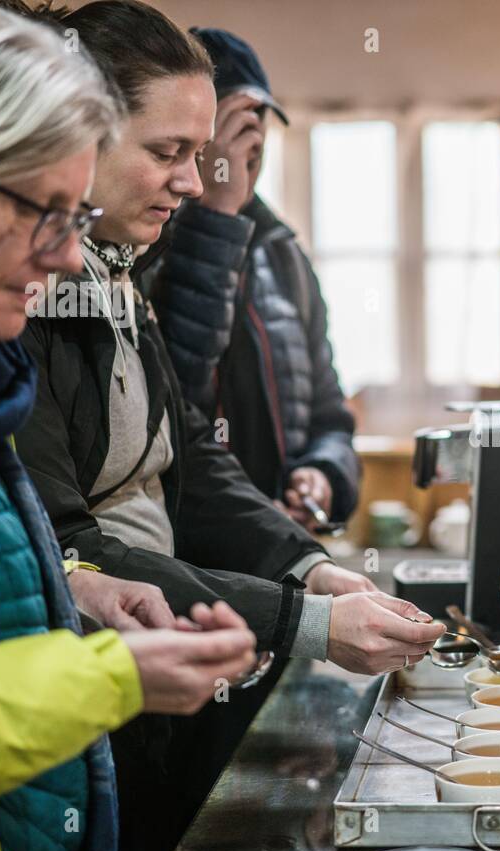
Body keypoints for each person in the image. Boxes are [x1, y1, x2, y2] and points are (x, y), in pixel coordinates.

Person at [0, 0, 442, 851]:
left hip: (160, 681)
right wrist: (301, 622)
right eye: (167, 153)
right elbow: (64, 543)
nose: (197, 184)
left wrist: (308, 568)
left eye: (200, 156)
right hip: (88, 703)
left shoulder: (121, 273)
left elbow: (191, 460)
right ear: (74, 136)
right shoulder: (25, 295)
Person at [0, 2, 258, 851]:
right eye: (42, 212)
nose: (61, 259)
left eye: (76, 218)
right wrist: (104, 680)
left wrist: (73, 585)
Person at [135, 27, 360, 532]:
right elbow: (169, 402)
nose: (250, 140)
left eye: (259, 122)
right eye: (231, 123)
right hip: (190, 551)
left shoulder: (284, 255)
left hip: (281, 544)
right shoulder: (145, 239)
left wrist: (324, 473)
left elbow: (330, 416)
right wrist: (214, 213)